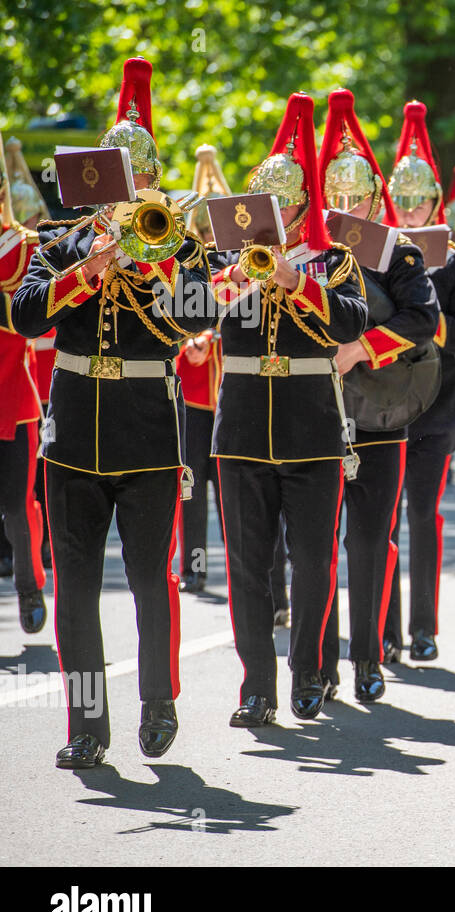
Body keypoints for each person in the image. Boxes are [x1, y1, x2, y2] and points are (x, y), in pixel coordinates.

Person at [12, 58, 216, 767]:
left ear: (152, 182)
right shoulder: (62, 245)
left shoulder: (179, 246)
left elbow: (199, 315)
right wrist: (90, 268)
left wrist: (153, 267)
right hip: (72, 432)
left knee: (146, 579)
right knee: (76, 587)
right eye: (118, 181)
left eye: (140, 180)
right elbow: (25, 312)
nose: (130, 194)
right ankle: (87, 726)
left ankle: (158, 700)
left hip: (148, 432)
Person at [209, 92, 368, 728]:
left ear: (304, 209)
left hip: (311, 427)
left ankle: (309, 673)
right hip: (243, 425)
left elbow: (354, 320)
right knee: (248, 565)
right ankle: (256, 685)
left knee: (313, 561)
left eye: (285, 208)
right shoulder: (229, 260)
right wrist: (238, 279)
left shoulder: (333, 261)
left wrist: (297, 282)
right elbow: (190, 311)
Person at [317, 89, 439, 703]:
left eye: (355, 195)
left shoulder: (395, 248)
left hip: (379, 413)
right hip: (311, 413)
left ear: (372, 196)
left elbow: (423, 317)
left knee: (367, 539)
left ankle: (366, 657)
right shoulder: (304, 247)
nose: (345, 205)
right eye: (334, 194)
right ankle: (317, 668)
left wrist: (360, 348)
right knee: (314, 547)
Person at [381, 101, 455, 665]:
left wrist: (428, 312)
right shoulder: (374, 253)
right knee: (381, 520)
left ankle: (422, 626)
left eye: (421, 200)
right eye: (404, 199)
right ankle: (385, 630)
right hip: (380, 403)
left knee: (419, 512)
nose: (413, 208)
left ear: (435, 202)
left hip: (435, 406)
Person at [175, 144, 231, 593]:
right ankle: (194, 565)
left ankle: (245, 568)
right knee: (192, 488)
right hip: (194, 393)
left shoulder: (241, 261)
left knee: (234, 494)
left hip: (232, 389)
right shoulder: (188, 264)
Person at [0, 137, 45, 633]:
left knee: (16, 504)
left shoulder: (23, 247)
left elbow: (28, 318)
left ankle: (30, 584)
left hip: (11, 396)